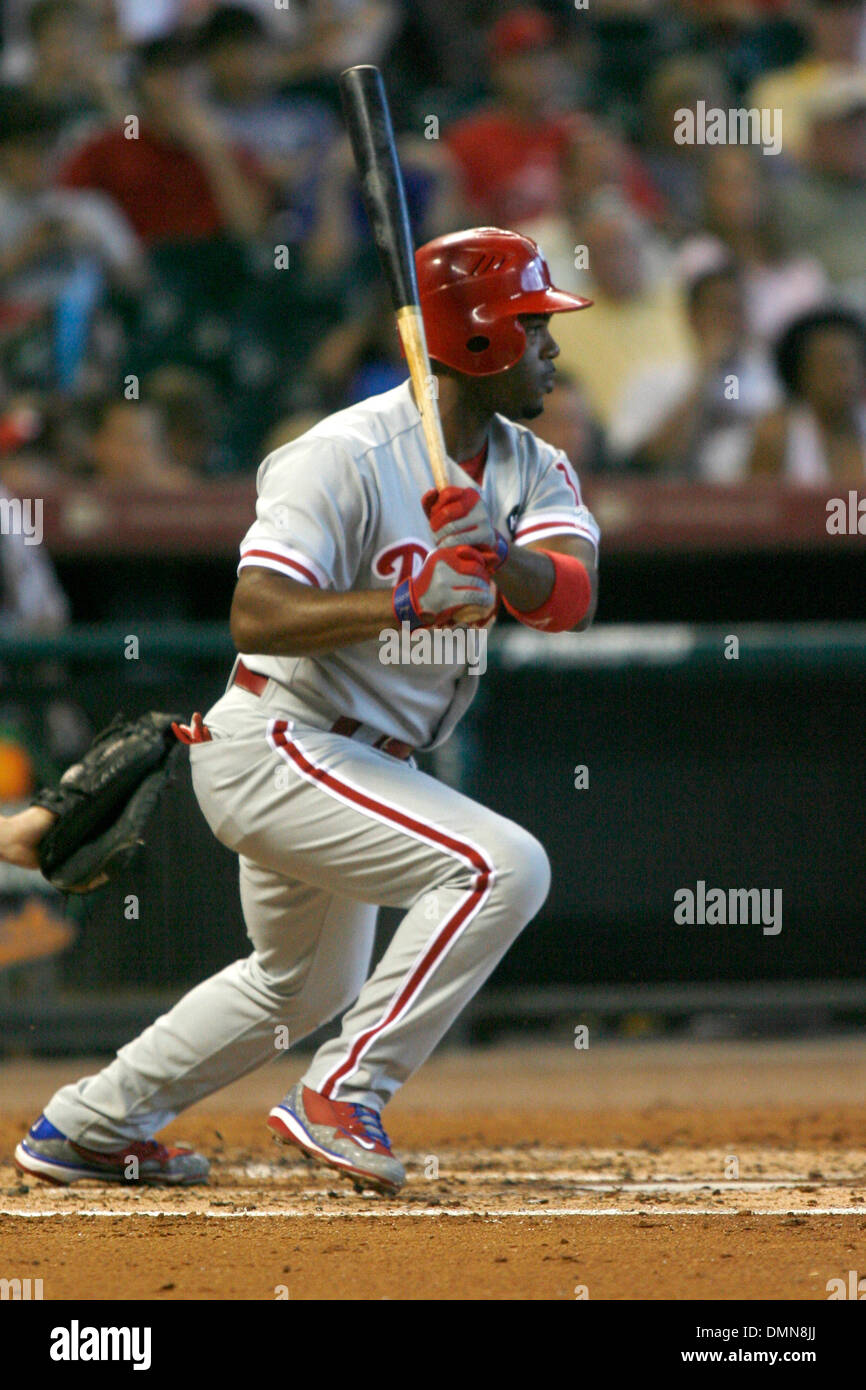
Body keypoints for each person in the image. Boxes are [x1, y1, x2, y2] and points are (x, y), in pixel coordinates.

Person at [12, 227, 600, 1194]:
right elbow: (258, 613)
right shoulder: (339, 455)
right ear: (485, 339)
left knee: (302, 985)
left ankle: (87, 1126)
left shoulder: (532, 466)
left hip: (370, 763)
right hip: (281, 739)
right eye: (534, 327)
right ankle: (346, 1090)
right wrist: (407, 602)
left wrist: (500, 555)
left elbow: (573, 598)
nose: (552, 348)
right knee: (504, 864)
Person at [610, 261, 780, 480]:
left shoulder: (773, 383)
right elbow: (645, 461)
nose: (730, 321)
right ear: (692, 316)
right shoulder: (652, 379)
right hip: (671, 504)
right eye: (719, 309)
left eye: (737, 309)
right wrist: (705, 374)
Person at [748, 307, 866, 482]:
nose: (843, 379)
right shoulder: (777, 436)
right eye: (827, 367)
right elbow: (759, 505)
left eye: (848, 365)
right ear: (800, 374)